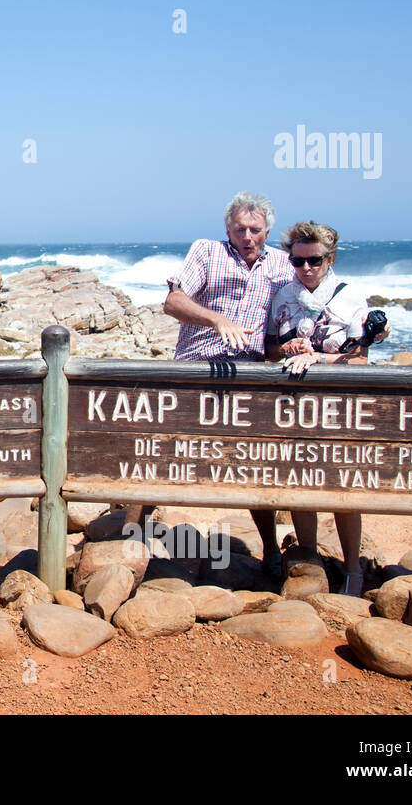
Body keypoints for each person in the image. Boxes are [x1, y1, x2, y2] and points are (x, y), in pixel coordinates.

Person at [145, 191, 295, 575]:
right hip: (197, 370)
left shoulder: (281, 264)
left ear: (267, 230)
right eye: (240, 229)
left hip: (250, 376)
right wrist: (217, 320)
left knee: (254, 463)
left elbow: (310, 297)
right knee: (164, 454)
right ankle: (130, 538)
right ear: (228, 228)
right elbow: (173, 303)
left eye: (255, 230)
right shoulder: (208, 252)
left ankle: (272, 551)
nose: (248, 236)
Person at [265, 220, 389, 596]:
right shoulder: (282, 296)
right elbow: (269, 350)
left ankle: (352, 570)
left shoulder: (351, 299)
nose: (305, 268)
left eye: (314, 260)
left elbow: (359, 360)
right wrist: (285, 351)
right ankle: (311, 563)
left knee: (343, 489)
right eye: (297, 260)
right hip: (295, 406)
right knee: (301, 485)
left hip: (339, 408)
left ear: (329, 259)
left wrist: (317, 357)